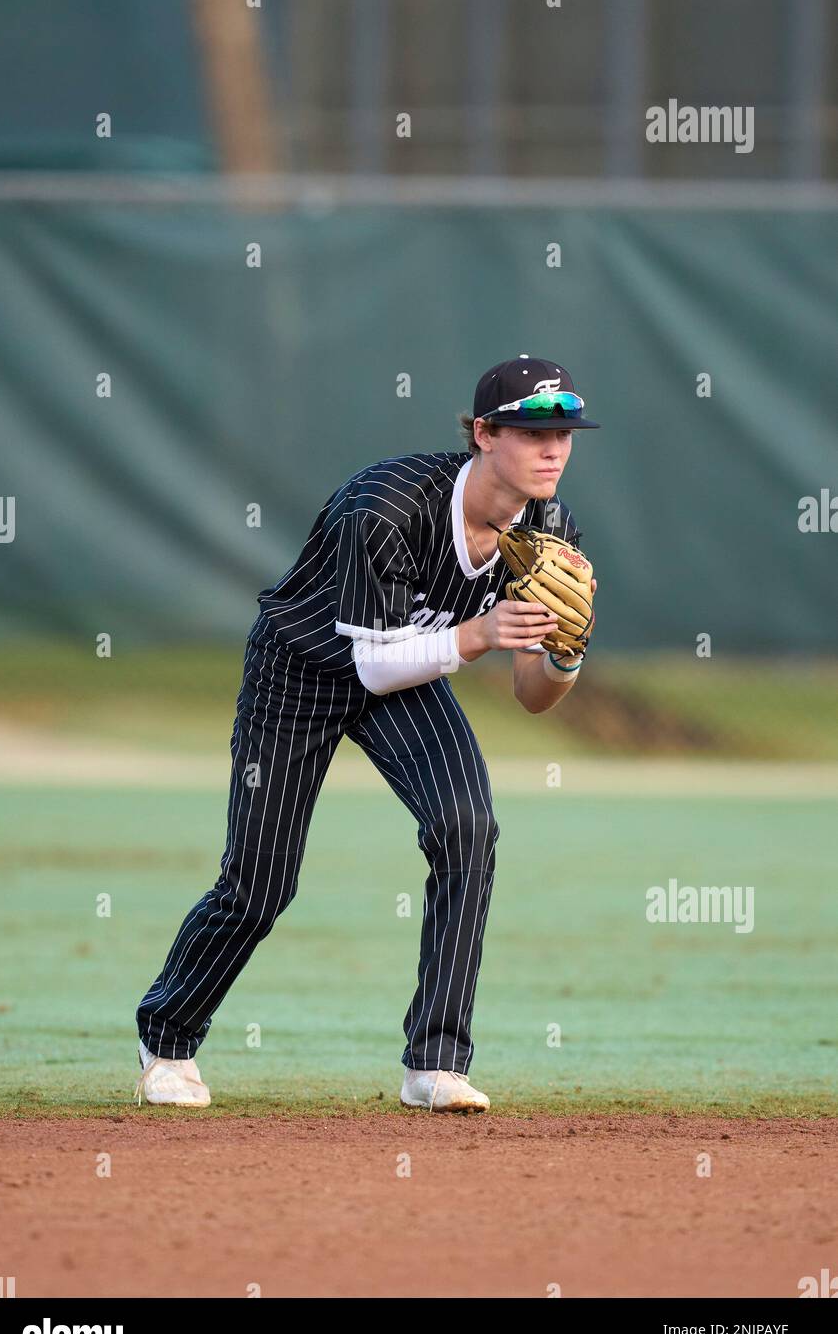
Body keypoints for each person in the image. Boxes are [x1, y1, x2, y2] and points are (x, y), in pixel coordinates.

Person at [135, 355, 599, 1113]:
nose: (554, 449)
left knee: (467, 827)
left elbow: (533, 698)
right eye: (531, 430)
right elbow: (372, 665)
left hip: (409, 676)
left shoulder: (548, 530)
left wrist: (565, 653)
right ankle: (168, 1039)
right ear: (484, 433)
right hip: (303, 670)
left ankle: (436, 1065)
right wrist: (480, 634)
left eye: (566, 433)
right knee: (260, 886)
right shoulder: (386, 504)